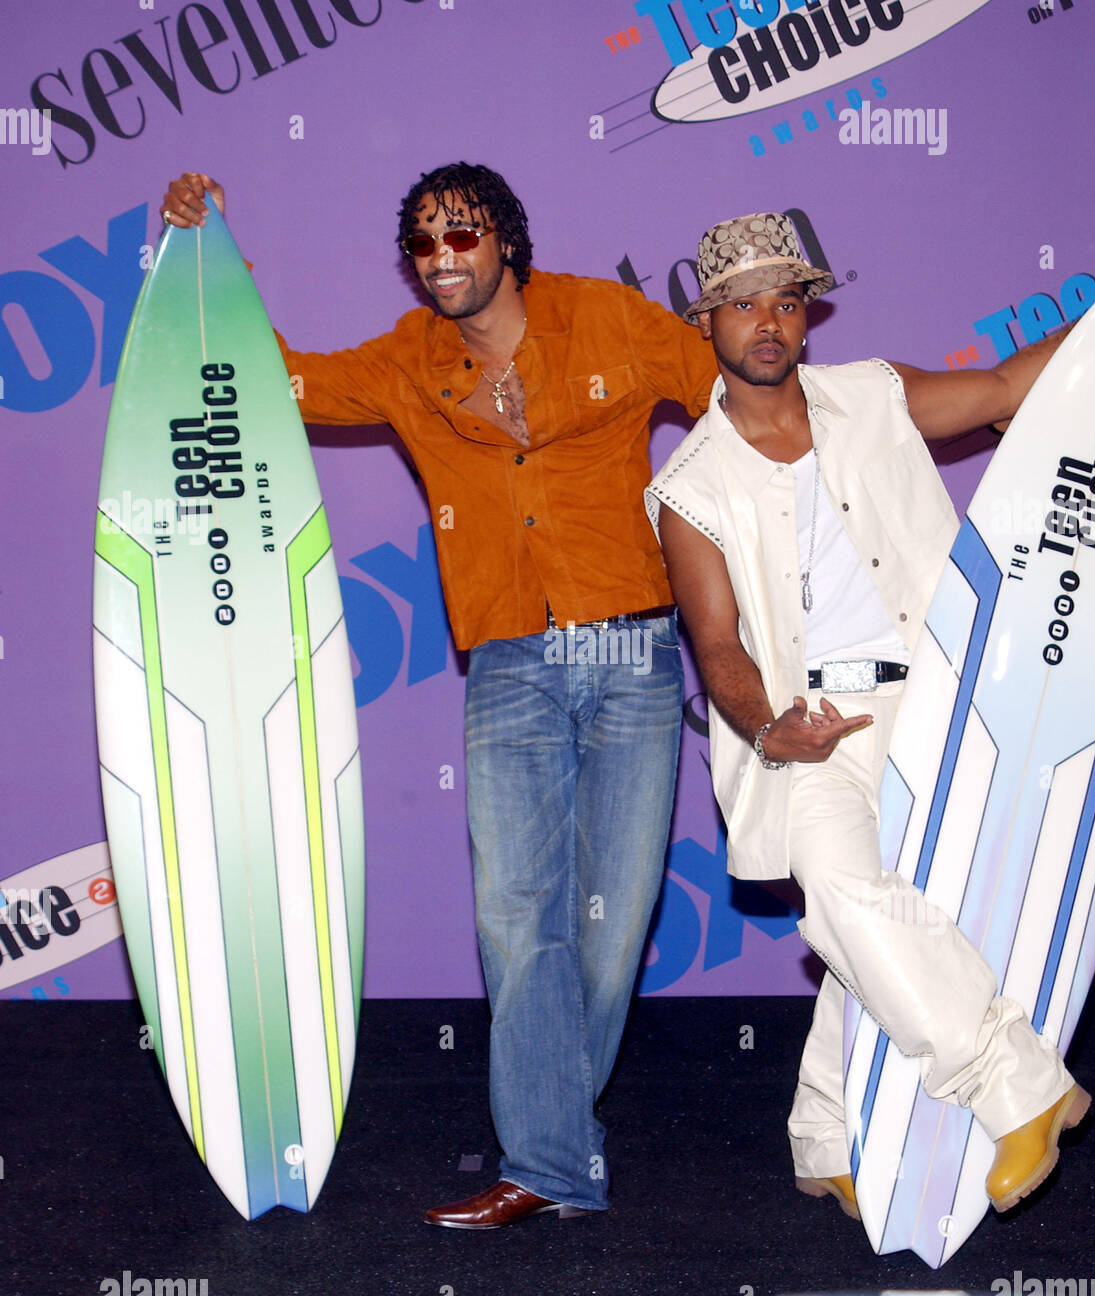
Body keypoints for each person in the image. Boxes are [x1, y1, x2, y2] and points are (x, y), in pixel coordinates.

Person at [160, 165, 716, 1227]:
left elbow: (735, 387)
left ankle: (556, 1127)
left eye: (460, 233)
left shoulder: (608, 314)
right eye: (421, 244)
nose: (443, 256)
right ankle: (549, 1161)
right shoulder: (405, 362)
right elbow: (270, 380)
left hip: (633, 656)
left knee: (610, 925)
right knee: (517, 918)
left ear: (505, 237)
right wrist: (201, 258)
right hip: (506, 664)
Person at [648, 212, 1095, 1218]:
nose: (769, 321)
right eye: (745, 304)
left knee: (873, 926)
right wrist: (770, 726)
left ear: (806, 318)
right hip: (811, 729)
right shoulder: (688, 488)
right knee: (846, 895)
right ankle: (1018, 1087)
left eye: (787, 300)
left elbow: (1001, 391)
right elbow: (717, 647)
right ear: (708, 322)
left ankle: (820, 1135)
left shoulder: (873, 396)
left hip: (939, 700)